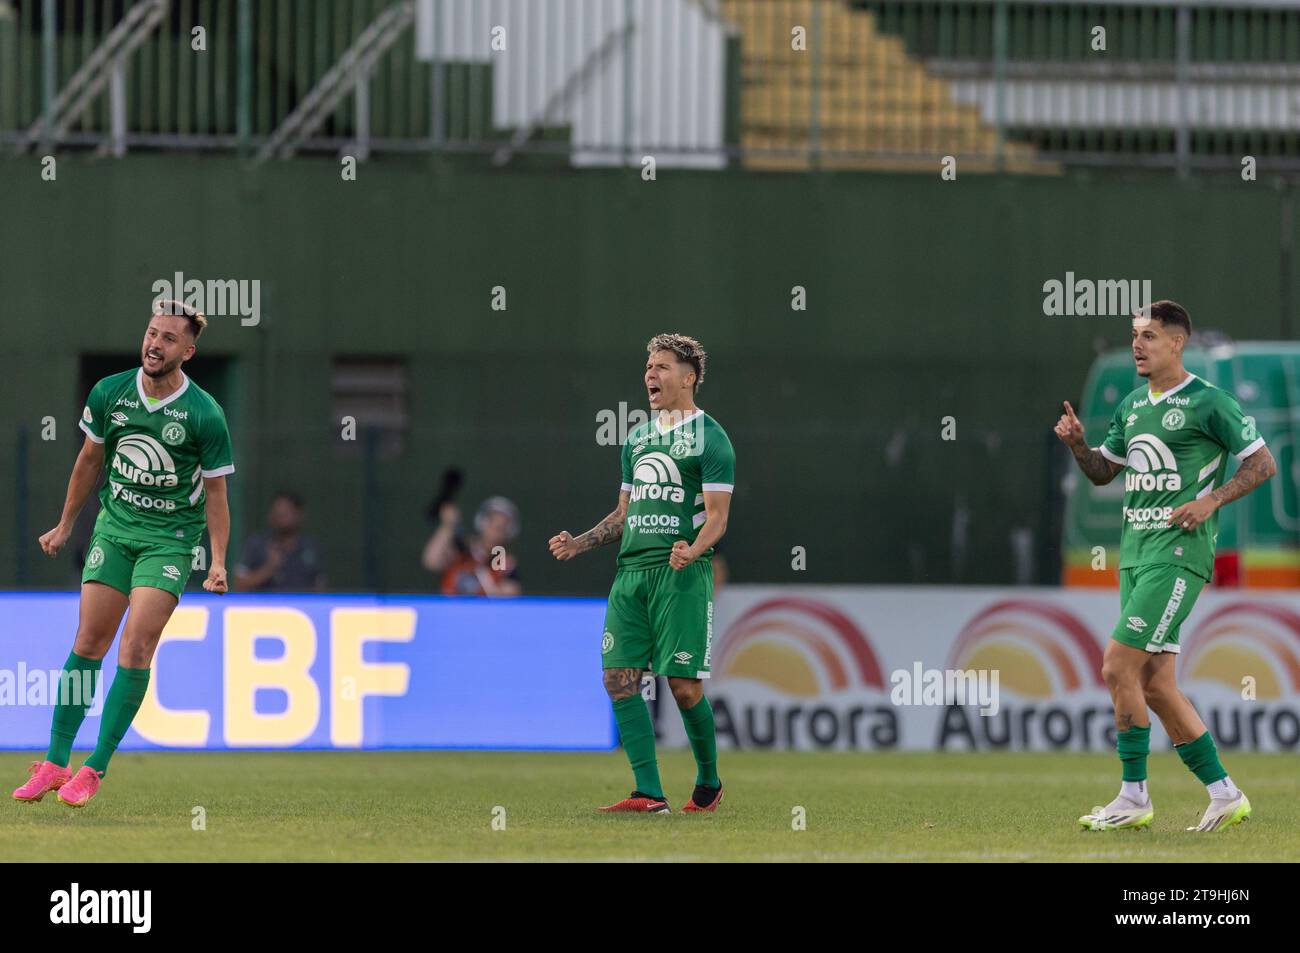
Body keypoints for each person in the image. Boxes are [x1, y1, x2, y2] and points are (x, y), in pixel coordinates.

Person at [1056, 300, 1276, 833]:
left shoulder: (1208, 402)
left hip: (1179, 555)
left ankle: (1134, 798)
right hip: (1135, 555)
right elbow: (1104, 473)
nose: (1138, 344)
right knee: (1154, 685)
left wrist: (1211, 501)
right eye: (1135, 335)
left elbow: (1262, 463)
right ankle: (1225, 794)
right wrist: (1081, 446)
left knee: (1116, 667)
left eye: (1149, 335)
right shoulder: (1132, 405)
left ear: (1177, 343)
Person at [15, 300, 234, 809]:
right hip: (114, 530)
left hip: (170, 540)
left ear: (189, 351)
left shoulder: (204, 413)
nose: (155, 344)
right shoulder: (110, 392)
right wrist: (66, 524)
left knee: (135, 648)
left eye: (169, 339)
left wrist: (218, 559)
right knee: (89, 641)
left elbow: (218, 494)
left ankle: (94, 769)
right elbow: (89, 460)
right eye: (152, 333)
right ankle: (54, 761)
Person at [549, 332, 735, 814]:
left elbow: (717, 516)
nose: (650, 374)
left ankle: (709, 785)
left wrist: (692, 550)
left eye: (662, 367)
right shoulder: (636, 438)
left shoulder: (711, 437)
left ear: (688, 377)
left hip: (680, 574)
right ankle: (649, 794)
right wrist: (581, 542)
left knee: (683, 685)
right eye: (648, 367)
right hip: (630, 573)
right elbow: (624, 513)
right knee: (619, 678)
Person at [422, 496, 522, 596]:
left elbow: (512, 592)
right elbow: (431, 561)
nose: (495, 532)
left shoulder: (505, 564)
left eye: (502, 528)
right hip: (451, 608)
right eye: (492, 524)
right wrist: (448, 525)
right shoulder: (460, 550)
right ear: (482, 523)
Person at [234, 491, 325, 592]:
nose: (281, 518)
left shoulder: (310, 547)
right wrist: (269, 568)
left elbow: (320, 586)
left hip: (300, 605)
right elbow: (239, 584)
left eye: (286, 513)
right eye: (277, 513)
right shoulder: (257, 544)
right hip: (264, 605)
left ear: (299, 514)